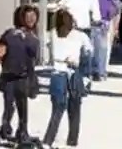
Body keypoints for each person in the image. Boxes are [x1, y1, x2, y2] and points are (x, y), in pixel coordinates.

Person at [0, 5, 40, 146]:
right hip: (9, 76)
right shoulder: (10, 34)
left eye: (34, 16)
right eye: (28, 16)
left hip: (24, 76)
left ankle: (22, 131)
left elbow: (32, 61)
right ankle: (5, 129)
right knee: (9, 105)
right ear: (21, 18)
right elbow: (0, 48)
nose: (31, 19)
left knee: (22, 106)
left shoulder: (33, 37)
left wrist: (33, 81)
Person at [43, 10, 89, 149]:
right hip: (68, 71)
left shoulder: (52, 34)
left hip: (63, 71)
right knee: (70, 107)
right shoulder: (78, 35)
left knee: (62, 108)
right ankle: (69, 140)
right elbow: (88, 52)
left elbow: (45, 54)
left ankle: (51, 140)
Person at [56, 0, 101, 79]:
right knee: (69, 57)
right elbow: (59, 6)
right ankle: (70, 80)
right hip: (68, 30)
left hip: (83, 29)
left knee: (85, 56)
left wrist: (96, 20)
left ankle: (83, 80)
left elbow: (96, 11)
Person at [95, 0, 121, 81]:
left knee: (100, 48)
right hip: (105, 22)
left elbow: (117, 9)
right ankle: (102, 71)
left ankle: (100, 70)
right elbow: (118, 9)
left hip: (101, 22)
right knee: (104, 48)